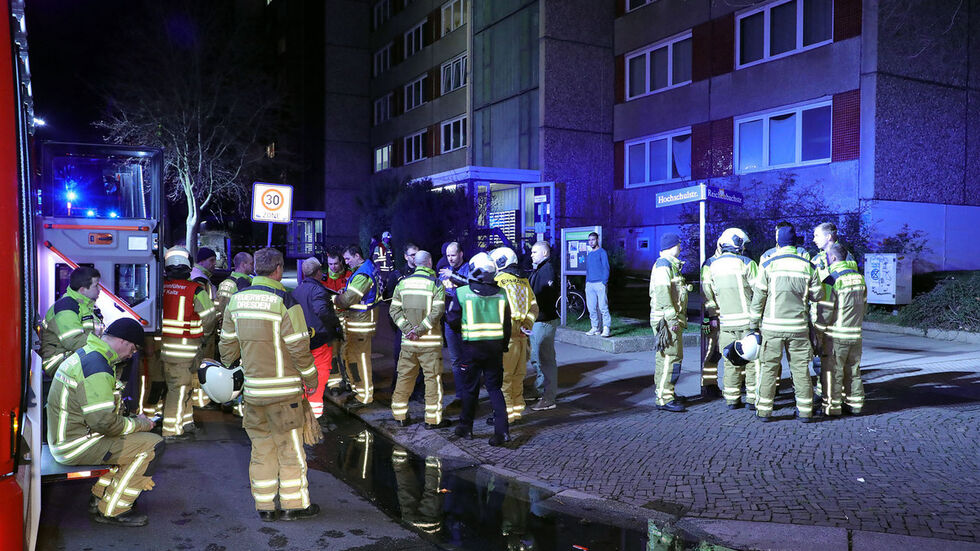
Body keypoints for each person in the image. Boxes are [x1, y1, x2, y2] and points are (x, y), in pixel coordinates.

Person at [219, 247, 320, 522]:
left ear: (255, 270)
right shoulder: (285, 301)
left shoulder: (237, 301)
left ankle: (265, 507)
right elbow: (300, 347)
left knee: (261, 449)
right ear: (278, 269)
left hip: (253, 394)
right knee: (290, 449)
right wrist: (311, 378)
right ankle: (294, 505)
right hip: (284, 395)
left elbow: (227, 347)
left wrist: (235, 366)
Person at [46, 317, 162, 527]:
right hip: (77, 444)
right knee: (151, 445)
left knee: (130, 440)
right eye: (133, 349)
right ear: (125, 342)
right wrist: (140, 423)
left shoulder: (88, 354)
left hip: (69, 438)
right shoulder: (97, 367)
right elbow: (104, 423)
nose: (131, 355)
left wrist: (131, 423)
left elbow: (101, 419)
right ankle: (112, 510)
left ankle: (101, 496)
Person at [749, 223, 824, 422]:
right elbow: (818, 295)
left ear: (778, 242)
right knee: (800, 370)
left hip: (772, 328)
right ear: (795, 242)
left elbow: (759, 298)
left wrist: (753, 324)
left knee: (769, 368)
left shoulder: (768, 264)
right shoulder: (807, 265)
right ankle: (806, 411)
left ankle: (764, 411)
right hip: (798, 328)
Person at [447, 252, 512, 446]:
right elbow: (507, 325)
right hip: (495, 349)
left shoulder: (462, 293)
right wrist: (503, 346)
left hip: (471, 349)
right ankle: (502, 432)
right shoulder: (502, 293)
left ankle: (466, 428)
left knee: (469, 390)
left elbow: (452, 320)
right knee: (495, 389)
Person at [160, 246, 216, 440]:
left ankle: (186, 422)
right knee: (180, 389)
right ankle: (171, 431)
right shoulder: (196, 290)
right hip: (188, 348)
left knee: (183, 387)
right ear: (188, 266)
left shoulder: (161, 287)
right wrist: (205, 335)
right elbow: (210, 318)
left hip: (166, 348)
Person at [388, 250, 448, 428]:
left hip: (408, 342)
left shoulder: (402, 284)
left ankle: (399, 416)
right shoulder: (436, 284)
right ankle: (432, 420)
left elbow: (394, 311)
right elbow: (437, 312)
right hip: (429, 343)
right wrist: (420, 330)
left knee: (404, 378)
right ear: (429, 262)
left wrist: (408, 330)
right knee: (432, 380)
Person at [701, 228, 759, 409]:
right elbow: (759, 291)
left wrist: (712, 317)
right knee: (752, 361)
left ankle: (732, 399)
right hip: (747, 322)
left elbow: (706, 295)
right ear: (738, 244)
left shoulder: (710, 265)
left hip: (724, 322)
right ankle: (752, 399)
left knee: (729, 360)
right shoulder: (747, 263)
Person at [489, 246, 538, 425]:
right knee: (518, 377)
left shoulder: (499, 280)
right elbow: (534, 308)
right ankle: (517, 413)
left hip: (506, 338)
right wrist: (527, 324)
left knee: (505, 379)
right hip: (522, 338)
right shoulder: (524, 282)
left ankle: (506, 416)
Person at [809, 222, 856, 400]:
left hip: (831, 317)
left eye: (817, 236)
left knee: (829, 359)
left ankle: (827, 395)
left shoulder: (839, 258)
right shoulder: (841, 257)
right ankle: (831, 393)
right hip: (832, 316)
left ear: (828, 237)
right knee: (828, 360)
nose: (814, 240)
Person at [820, 243, 867, 416]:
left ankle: (832, 408)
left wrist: (818, 332)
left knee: (833, 373)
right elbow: (864, 305)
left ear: (832, 258)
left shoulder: (832, 279)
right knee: (853, 371)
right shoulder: (859, 277)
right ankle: (855, 405)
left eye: (827, 256)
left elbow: (824, 311)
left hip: (836, 336)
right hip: (855, 334)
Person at [292, 257, 342, 418]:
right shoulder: (319, 290)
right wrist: (335, 324)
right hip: (320, 338)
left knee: (303, 373)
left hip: (302, 339)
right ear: (318, 272)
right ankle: (314, 416)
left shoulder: (297, 290)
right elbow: (322, 311)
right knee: (320, 374)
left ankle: (303, 408)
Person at [333, 245, 381, 407]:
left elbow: (348, 300)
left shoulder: (362, 274)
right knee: (353, 357)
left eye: (347, 259)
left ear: (357, 256)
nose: (345, 263)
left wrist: (335, 299)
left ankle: (364, 396)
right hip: (360, 321)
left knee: (359, 359)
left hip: (361, 323)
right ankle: (358, 390)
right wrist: (345, 291)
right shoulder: (367, 268)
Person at [40, 265, 104, 376]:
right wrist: (106, 349)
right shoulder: (66, 307)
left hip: (74, 357)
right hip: (58, 362)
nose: (100, 289)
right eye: (96, 285)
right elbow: (74, 341)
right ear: (83, 290)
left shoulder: (87, 307)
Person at [649, 233, 688, 412]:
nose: (681, 247)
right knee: (670, 358)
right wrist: (672, 319)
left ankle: (665, 392)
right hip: (666, 321)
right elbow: (664, 294)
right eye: (679, 245)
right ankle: (665, 398)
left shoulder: (668, 265)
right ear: (673, 246)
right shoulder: (665, 265)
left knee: (664, 358)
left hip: (665, 319)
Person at [528, 241, 559, 411]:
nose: (531, 254)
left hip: (544, 321)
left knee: (545, 360)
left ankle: (548, 398)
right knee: (538, 358)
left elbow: (544, 296)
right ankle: (541, 391)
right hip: (539, 320)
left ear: (545, 253)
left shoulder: (547, 270)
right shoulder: (541, 269)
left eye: (534, 252)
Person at [439, 241, 470, 404]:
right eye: (448, 255)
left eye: (453, 255)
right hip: (450, 323)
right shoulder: (445, 271)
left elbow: (472, 285)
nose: (450, 259)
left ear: (461, 254)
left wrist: (453, 277)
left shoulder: (469, 268)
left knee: (469, 360)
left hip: (467, 322)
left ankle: (470, 395)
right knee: (455, 361)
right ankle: (460, 396)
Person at [190, 247, 219, 409]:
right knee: (202, 365)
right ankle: (200, 401)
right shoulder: (200, 280)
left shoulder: (200, 277)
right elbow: (205, 310)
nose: (214, 264)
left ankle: (200, 400)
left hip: (201, 330)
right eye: (211, 260)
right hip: (203, 331)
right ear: (201, 261)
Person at [320, 251, 352, 395]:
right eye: (330, 264)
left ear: (342, 263)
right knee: (332, 353)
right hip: (330, 319)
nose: (333, 267)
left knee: (347, 352)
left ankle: (350, 381)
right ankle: (334, 384)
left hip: (346, 317)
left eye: (336, 264)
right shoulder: (322, 277)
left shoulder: (349, 276)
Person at [698, 243, 723, 395]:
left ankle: (740, 383)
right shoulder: (709, 264)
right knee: (712, 351)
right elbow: (706, 291)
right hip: (712, 317)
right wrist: (712, 314)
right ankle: (709, 384)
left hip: (726, 316)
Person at [584, 232, 611, 337]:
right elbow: (588, 270)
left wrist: (604, 282)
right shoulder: (589, 254)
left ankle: (606, 328)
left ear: (597, 240)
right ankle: (595, 327)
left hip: (600, 283)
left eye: (593, 240)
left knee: (603, 307)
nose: (591, 242)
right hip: (590, 284)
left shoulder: (602, 252)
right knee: (591, 308)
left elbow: (606, 267)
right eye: (589, 240)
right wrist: (587, 282)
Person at [216, 252, 254, 317]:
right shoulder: (243, 283)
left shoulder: (224, 282)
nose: (253, 266)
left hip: (224, 322)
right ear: (243, 265)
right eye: (251, 263)